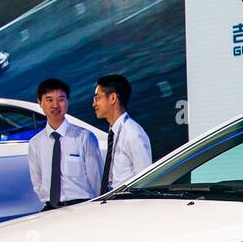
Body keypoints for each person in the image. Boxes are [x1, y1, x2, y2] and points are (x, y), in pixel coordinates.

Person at [27, 78, 102, 210]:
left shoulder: (84, 137)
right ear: (40, 103)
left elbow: (96, 180)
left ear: (67, 101)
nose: (55, 105)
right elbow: (37, 182)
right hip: (50, 209)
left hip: (82, 207)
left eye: (61, 99)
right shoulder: (35, 143)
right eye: (49, 100)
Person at [90, 73, 152, 193]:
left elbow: (145, 179)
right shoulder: (113, 131)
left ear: (113, 98)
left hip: (127, 204)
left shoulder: (133, 133)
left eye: (97, 98)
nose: (94, 104)